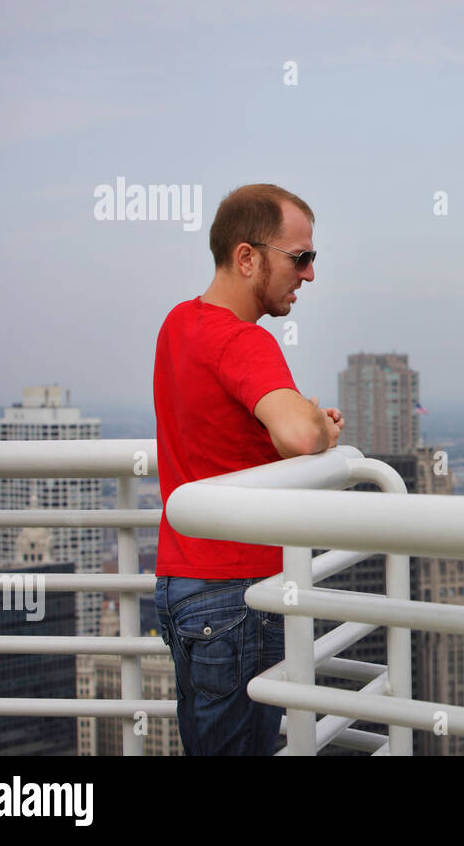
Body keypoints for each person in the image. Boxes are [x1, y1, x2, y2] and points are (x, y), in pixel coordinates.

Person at [152, 183, 342, 755]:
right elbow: (302, 434)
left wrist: (293, 418)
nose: (309, 275)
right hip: (238, 599)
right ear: (247, 256)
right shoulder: (245, 341)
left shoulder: (178, 326)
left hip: (180, 587)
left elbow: (222, 431)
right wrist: (322, 426)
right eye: (300, 257)